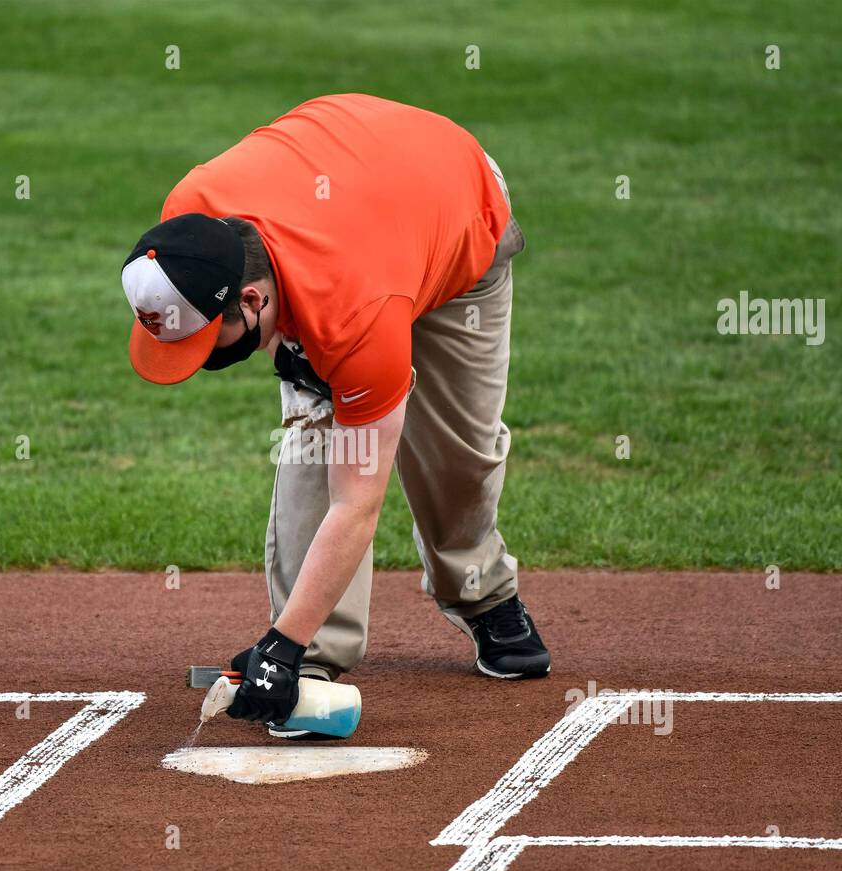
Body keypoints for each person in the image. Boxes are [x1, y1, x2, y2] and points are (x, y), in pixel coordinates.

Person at [120, 94, 550, 738]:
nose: (207, 357)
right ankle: (311, 658)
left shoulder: (355, 317)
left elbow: (359, 503)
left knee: (456, 452)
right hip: (352, 218)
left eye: (213, 342)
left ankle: (482, 591)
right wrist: (288, 649)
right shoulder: (188, 224)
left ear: (251, 298)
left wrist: (276, 648)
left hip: (459, 220)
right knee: (314, 445)